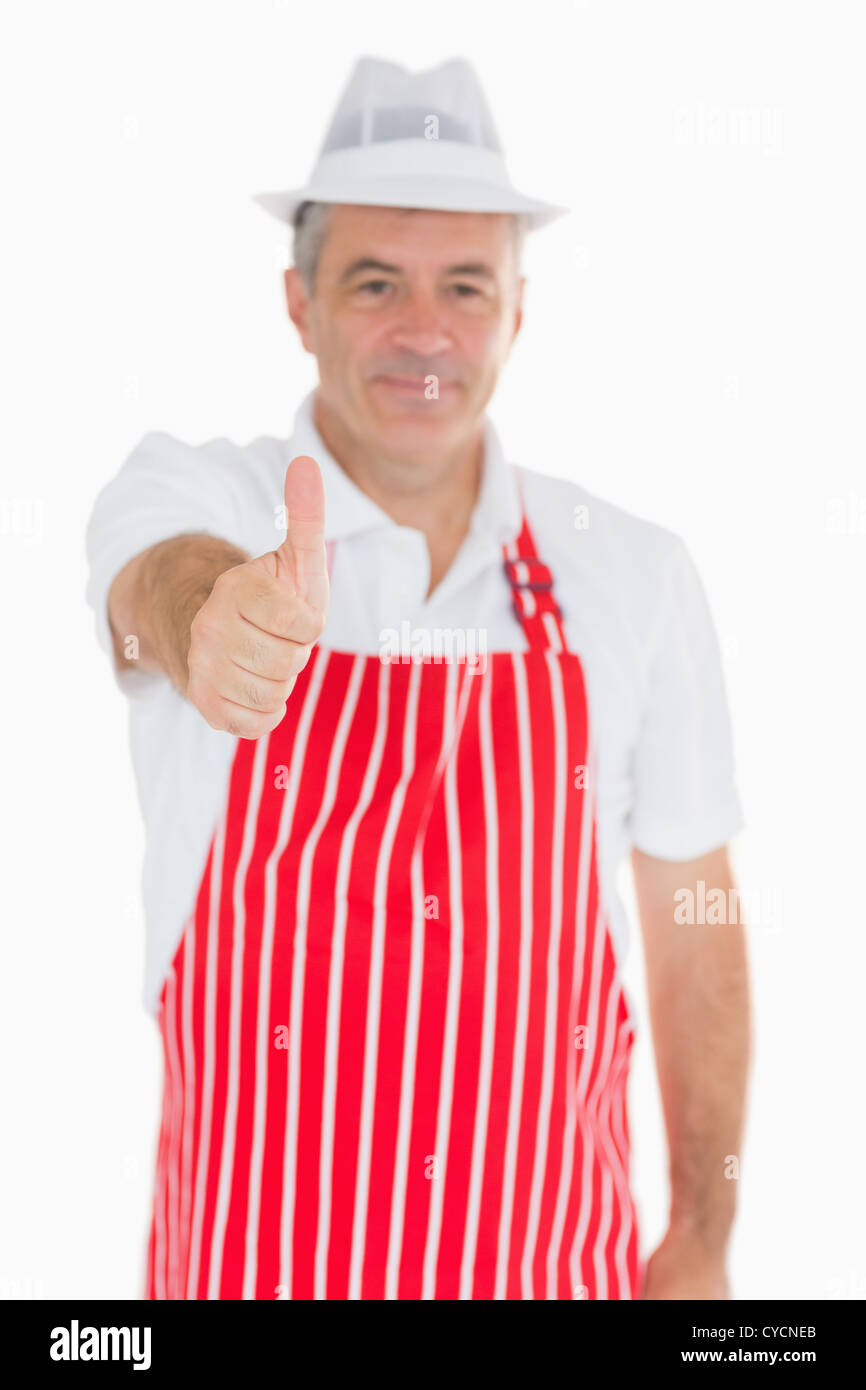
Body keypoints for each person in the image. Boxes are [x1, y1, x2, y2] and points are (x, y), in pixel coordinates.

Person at [85, 56, 750, 1301]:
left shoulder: (635, 580)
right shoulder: (200, 499)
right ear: (298, 301)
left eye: (464, 286)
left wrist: (702, 1238)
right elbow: (150, 588)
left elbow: (692, 926)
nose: (424, 332)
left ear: (515, 311)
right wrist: (204, 622)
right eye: (375, 283)